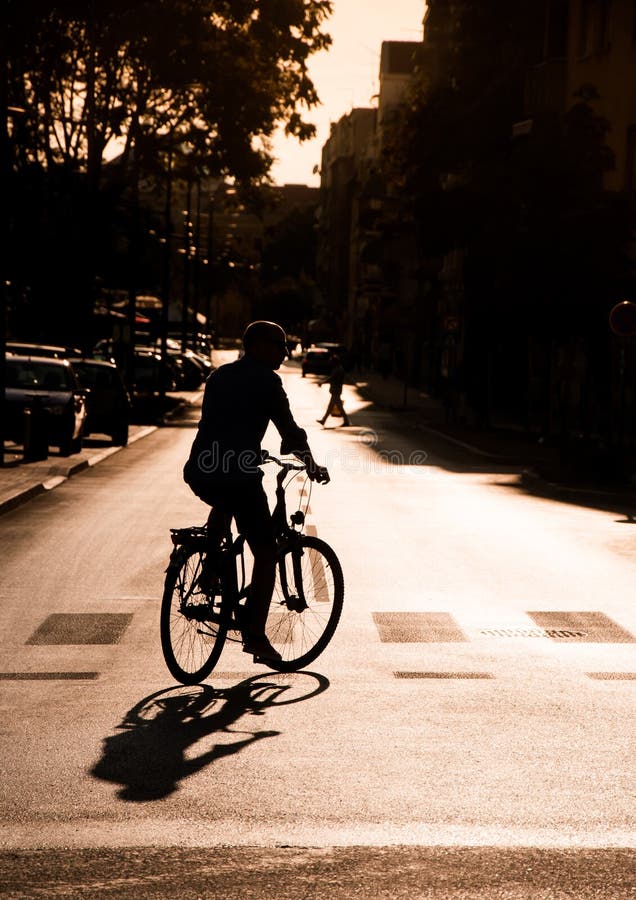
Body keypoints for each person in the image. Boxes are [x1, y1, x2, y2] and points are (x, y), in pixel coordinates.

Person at [183, 320, 330, 662]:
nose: (286, 351)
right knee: (265, 553)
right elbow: (290, 432)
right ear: (260, 346)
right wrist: (310, 463)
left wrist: (252, 450)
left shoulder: (218, 376)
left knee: (223, 500)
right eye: (280, 345)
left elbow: (221, 426)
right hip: (237, 473)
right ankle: (256, 636)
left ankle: (209, 569)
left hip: (201, 469)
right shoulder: (268, 381)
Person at [317, 354, 350, 427]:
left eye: (332, 362)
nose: (331, 363)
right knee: (333, 407)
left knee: (337, 407)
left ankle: (346, 421)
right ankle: (324, 420)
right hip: (336, 390)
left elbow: (331, 378)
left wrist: (322, 382)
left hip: (336, 391)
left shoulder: (338, 369)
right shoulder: (338, 368)